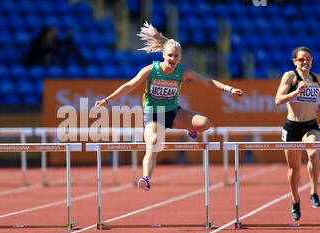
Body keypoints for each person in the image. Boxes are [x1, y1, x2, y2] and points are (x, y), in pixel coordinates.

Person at [95, 22, 244, 191]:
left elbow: (208, 82)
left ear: (180, 57)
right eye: (170, 55)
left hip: (173, 113)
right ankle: (146, 178)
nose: (173, 59)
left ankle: (191, 128)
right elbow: (129, 86)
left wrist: (229, 88)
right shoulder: (151, 70)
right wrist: (107, 100)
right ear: (163, 55)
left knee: (205, 124)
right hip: (153, 115)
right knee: (153, 143)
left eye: (177, 56)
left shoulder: (183, 72)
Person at [275, 46, 320, 221]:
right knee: (294, 169)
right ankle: (295, 200)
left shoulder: (318, 78)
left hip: (310, 125)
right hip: (292, 127)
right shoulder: (290, 76)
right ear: (295, 62)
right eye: (300, 59)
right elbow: (277, 100)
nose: (304, 61)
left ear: (312, 60)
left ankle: (314, 192)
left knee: (314, 152)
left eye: (307, 58)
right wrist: (296, 92)